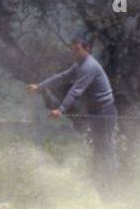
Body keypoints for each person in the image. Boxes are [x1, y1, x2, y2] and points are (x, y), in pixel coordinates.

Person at [28, 35, 119, 183]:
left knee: (106, 147)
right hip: (95, 112)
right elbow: (62, 77)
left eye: (77, 50)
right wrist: (40, 86)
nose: (74, 53)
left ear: (87, 49)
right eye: (72, 50)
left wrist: (61, 109)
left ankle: (113, 182)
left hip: (105, 111)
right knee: (98, 147)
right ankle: (101, 180)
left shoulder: (89, 66)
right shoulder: (79, 64)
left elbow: (76, 90)